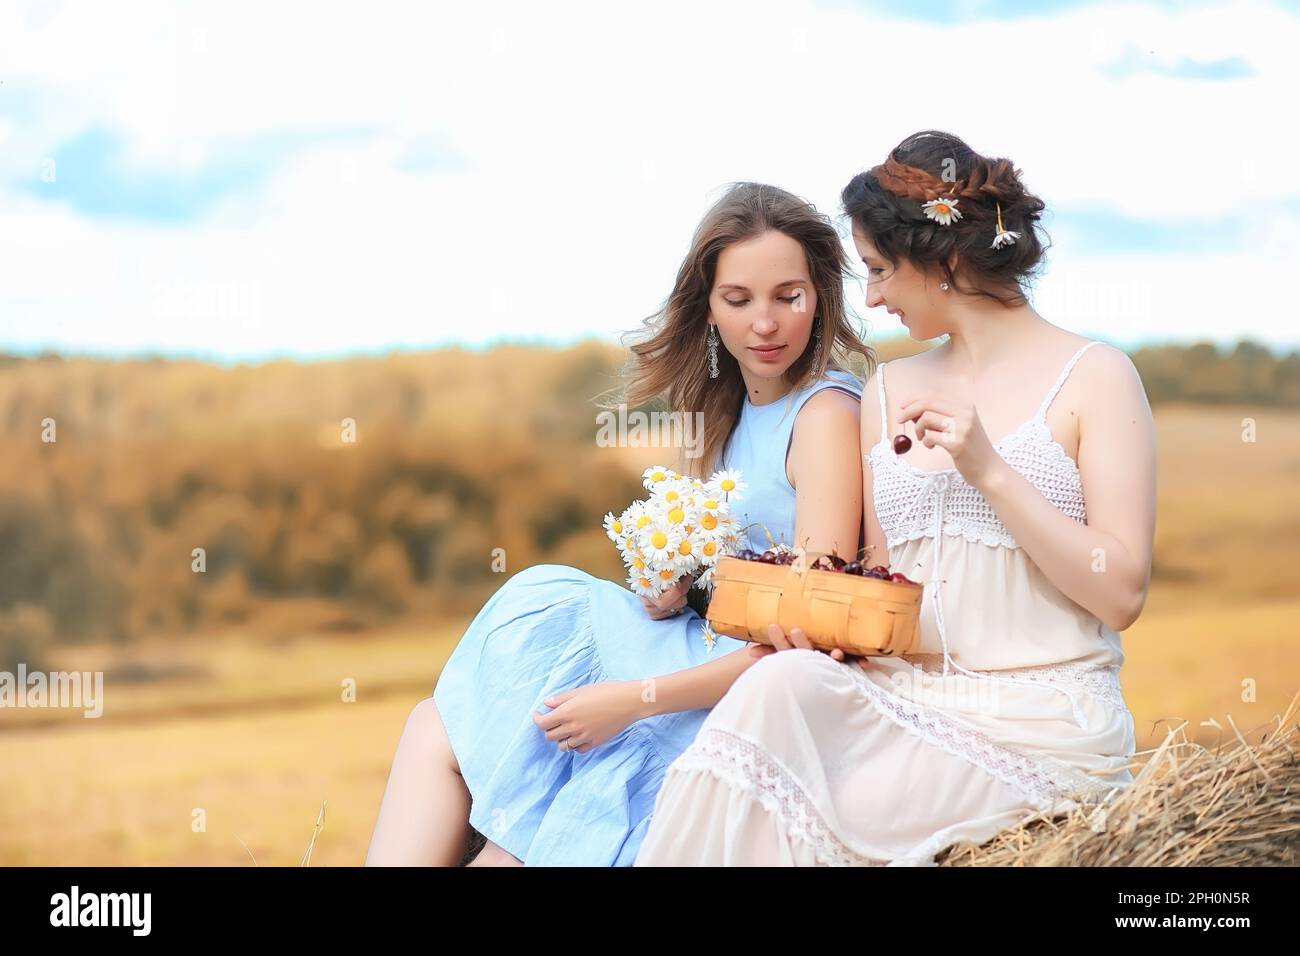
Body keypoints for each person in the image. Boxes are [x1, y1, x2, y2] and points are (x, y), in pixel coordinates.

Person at [634, 130, 1155, 866]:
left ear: (939, 262)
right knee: (781, 685)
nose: (871, 297)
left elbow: (1123, 591)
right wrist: (745, 604)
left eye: (879, 270)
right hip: (906, 699)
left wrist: (991, 472)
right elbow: (875, 591)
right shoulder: (891, 390)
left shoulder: (1096, 376)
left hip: (1038, 718)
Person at [365, 182, 874, 866]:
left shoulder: (824, 418)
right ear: (709, 309)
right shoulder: (724, 416)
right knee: (436, 724)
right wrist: (680, 589)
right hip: (698, 652)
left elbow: (811, 639)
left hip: (747, 695)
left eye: (789, 296)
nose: (765, 323)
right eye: (738, 299)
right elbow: (730, 578)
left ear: (820, 296)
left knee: (531, 807)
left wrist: (635, 700)